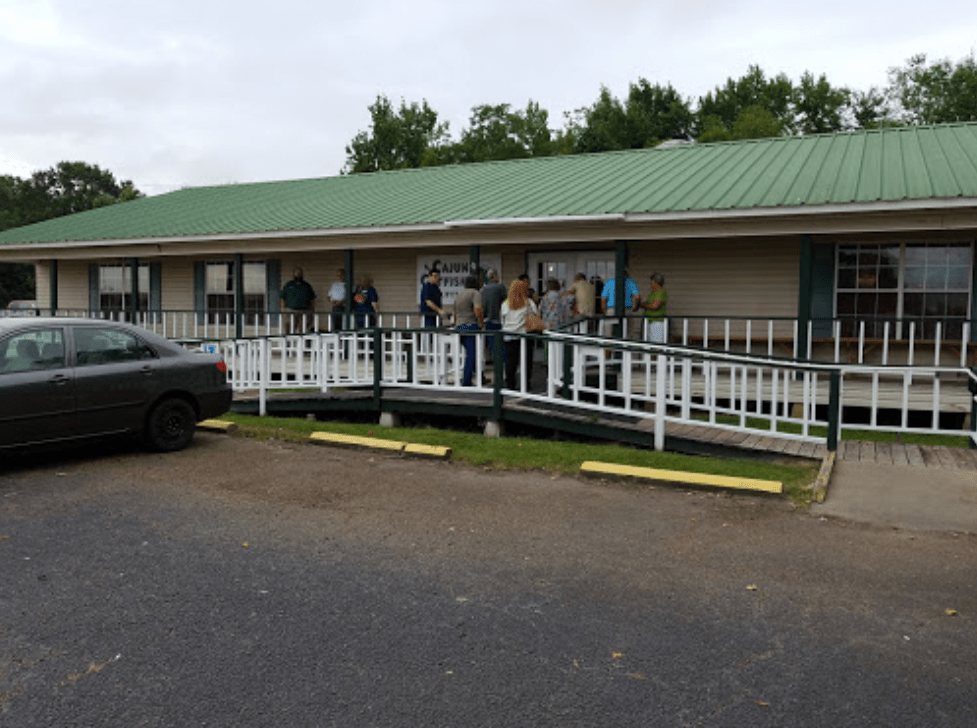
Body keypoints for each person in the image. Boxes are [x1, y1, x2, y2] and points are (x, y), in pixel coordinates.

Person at [500, 278, 539, 390]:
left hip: (508, 335)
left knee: (510, 362)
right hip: (524, 335)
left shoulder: (505, 304)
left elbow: (502, 320)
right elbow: (534, 317)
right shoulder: (529, 303)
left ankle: (510, 384)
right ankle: (526, 384)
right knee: (526, 362)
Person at [453, 275, 484, 386]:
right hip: (470, 325)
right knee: (472, 354)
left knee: (469, 353)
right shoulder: (475, 293)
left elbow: (454, 311)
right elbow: (478, 309)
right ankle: (467, 380)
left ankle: (478, 375)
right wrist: (481, 322)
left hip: (459, 326)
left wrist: (456, 323)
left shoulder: (459, 294)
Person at [601, 269, 641, 338]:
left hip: (611, 310)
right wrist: (636, 308)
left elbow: (603, 299)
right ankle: (626, 347)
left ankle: (608, 347)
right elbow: (637, 297)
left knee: (608, 332)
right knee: (628, 331)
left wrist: (604, 311)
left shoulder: (609, 282)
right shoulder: (631, 282)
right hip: (627, 310)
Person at [480, 268, 507, 360]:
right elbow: (506, 302)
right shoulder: (500, 288)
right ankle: (500, 364)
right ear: (495, 276)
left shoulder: (483, 290)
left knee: (491, 343)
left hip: (487, 319)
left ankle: (493, 361)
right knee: (500, 345)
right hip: (499, 319)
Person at [279, 267, 316, 333]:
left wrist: (312, 309)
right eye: (297, 273)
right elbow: (282, 297)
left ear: (302, 274)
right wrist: (283, 308)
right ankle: (288, 342)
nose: (298, 274)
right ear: (294, 274)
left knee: (304, 330)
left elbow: (312, 298)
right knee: (289, 329)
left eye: (300, 273)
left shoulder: (306, 285)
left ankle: (303, 343)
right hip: (291, 310)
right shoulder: (289, 285)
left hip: (304, 311)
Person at [642, 272, 668, 343]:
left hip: (657, 322)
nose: (651, 283)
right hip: (649, 321)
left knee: (656, 345)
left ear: (656, 282)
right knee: (648, 344)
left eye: (652, 281)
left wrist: (644, 305)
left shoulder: (661, 292)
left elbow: (655, 306)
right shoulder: (652, 293)